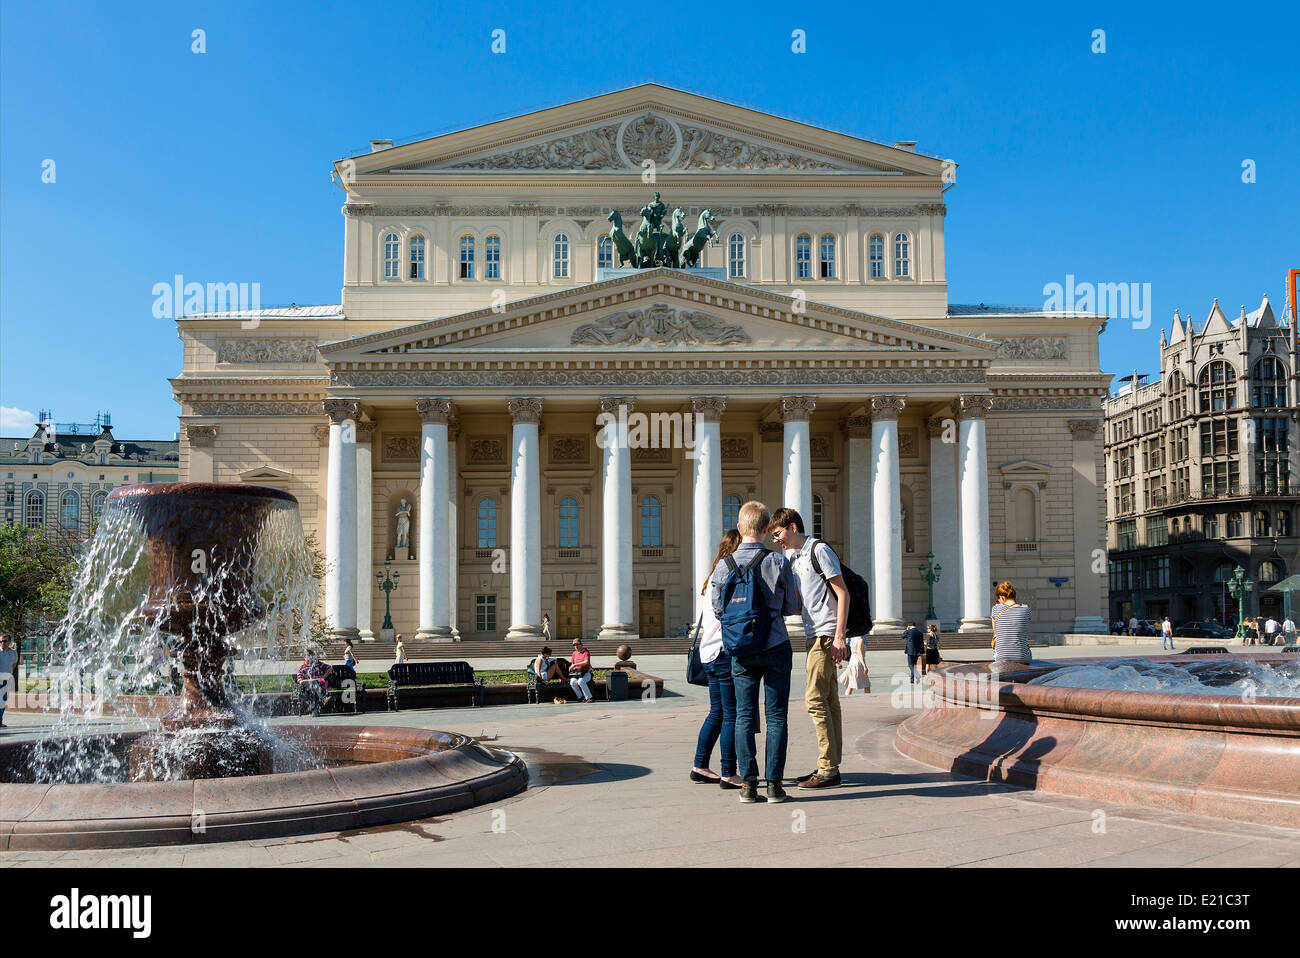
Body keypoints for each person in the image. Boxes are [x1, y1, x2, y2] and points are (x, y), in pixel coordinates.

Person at [709, 501, 801, 805]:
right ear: (765, 529)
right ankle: (774, 786)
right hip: (775, 645)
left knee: (743, 716)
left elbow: (718, 610)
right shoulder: (779, 563)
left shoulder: (724, 566)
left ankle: (748, 786)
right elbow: (791, 607)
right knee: (776, 717)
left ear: (739, 528)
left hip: (740, 650)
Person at [769, 507, 848, 790]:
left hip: (826, 635)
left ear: (792, 527)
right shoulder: (794, 557)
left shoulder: (819, 550)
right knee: (829, 701)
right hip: (813, 634)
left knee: (815, 700)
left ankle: (828, 769)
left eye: (778, 534)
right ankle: (831, 766)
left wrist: (840, 637)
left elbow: (842, 592)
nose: (777, 540)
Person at [692, 530, 743, 790]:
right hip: (723, 653)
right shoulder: (729, 576)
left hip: (708, 653)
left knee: (717, 711)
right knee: (730, 714)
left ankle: (700, 765)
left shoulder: (711, 576)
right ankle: (728, 772)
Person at [992, 582, 1032, 665]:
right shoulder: (1026, 609)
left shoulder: (996, 609)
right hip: (1023, 657)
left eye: (998, 599)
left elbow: (995, 633)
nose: (998, 602)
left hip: (1001, 657)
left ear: (1002, 597)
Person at [294, 652, 332, 717]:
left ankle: (315, 710)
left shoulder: (317, 664)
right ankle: (323, 698)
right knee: (314, 683)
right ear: (304, 657)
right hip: (307, 687)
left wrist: (323, 677)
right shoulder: (301, 668)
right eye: (308, 656)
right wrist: (312, 680)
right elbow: (300, 681)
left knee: (315, 686)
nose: (310, 657)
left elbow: (330, 668)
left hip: (317, 687)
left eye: (311, 655)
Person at [568, 638, 595, 702]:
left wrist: (575, 665)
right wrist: (571, 667)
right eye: (574, 645)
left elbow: (586, 662)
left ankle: (589, 698)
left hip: (586, 672)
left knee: (581, 681)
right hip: (577, 673)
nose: (576, 646)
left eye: (577, 644)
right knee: (572, 682)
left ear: (581, 644)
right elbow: (572, 663)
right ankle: (581, 697)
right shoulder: (574, 653)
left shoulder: (586, 652)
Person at [0, 634, 17, 728]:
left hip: (6, 681)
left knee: (2, 701)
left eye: (5, 641)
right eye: (1, 641)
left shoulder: (14, 653)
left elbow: (13, 664)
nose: (2, 643)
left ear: (9, 642)